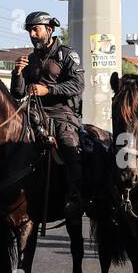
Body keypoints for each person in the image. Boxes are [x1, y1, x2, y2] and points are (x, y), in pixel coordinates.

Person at [11, 12, 85, 217]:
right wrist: (17, 74)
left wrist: (48, 90)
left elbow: (78, 85)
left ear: (49, 30)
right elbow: (17, 93)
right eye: (30, 30)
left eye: (36, 29)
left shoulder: (66, 54)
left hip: (62, 114)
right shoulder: (30, 59)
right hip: (33, 113)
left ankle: (75, 196)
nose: (32, 34)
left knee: (70, 147)